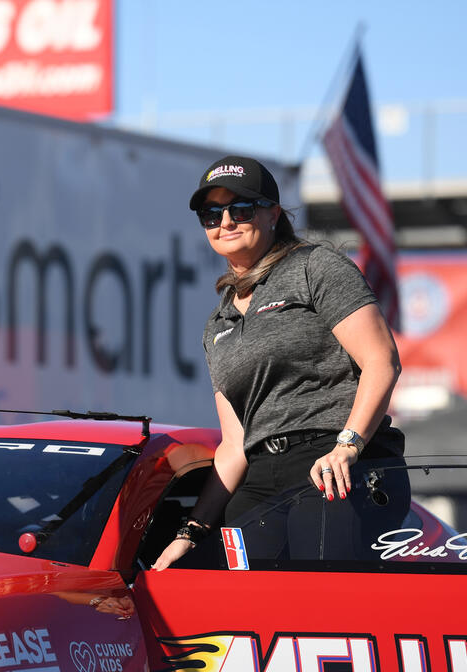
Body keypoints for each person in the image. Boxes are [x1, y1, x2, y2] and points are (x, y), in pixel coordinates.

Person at [153, 155, 405, 570]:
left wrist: (348, 446)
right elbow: (234, 446)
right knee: (236, 602)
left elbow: (382, 361)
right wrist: (191, 531)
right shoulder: (218, 322)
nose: (226, 221)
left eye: (241, 209)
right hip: (263, 473)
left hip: (335, 462)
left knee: (317, 608)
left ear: (273, 214)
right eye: (211, 214)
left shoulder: (316, 267)